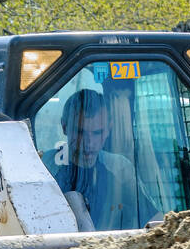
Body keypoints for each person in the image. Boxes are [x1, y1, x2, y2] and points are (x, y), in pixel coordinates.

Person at [47, 88, 143, 231]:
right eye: (80, 132)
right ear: (64, 127)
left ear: (109, 129)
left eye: (97, 133)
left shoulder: (121, 169)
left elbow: (151, 218)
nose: (88, 143)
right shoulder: (43, 169)